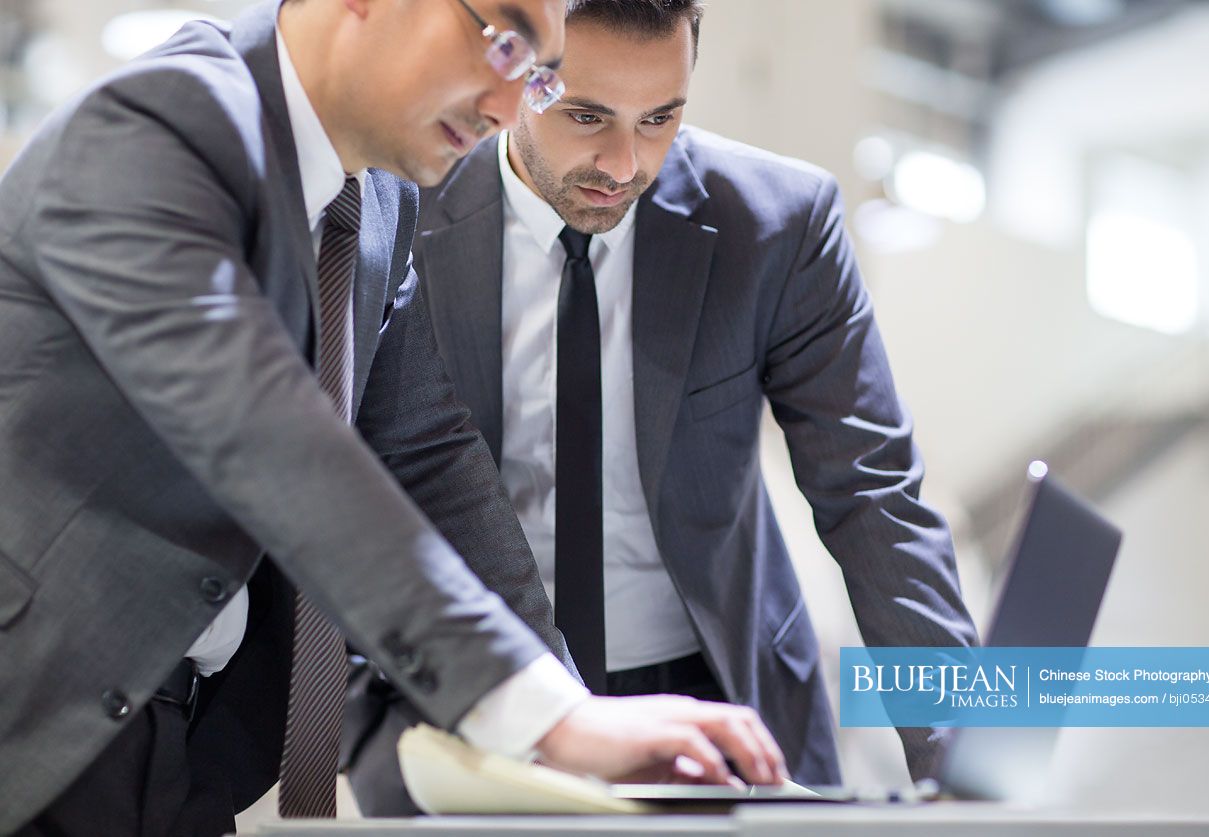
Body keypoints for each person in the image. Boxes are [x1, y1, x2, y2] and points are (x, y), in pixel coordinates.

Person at [0, 0, 788, 834]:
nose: (510, 103)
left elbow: (424, 451)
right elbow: (271, 442)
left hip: (168, 736)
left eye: (537, 74)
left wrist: (560, 709)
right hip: (35, 714)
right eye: (506, 43)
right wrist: (536, 713)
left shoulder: (376, 198)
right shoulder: (162, 126)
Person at [343, 0, 978, 815]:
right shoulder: (401, 205)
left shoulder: (779, 225)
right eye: (586, 115)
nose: (623, 161)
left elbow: (872, 497)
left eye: (660, 118)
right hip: (474, 691)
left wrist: (963, 754)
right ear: (515, 78)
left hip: (716, 693)